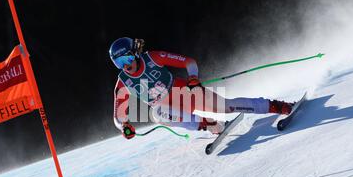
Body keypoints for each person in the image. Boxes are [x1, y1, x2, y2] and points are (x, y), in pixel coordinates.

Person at [110, 37, 293, 139]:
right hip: (169, 109)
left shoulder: (153, 58)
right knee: (157, 114)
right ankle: (209, 124)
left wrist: (193, 78)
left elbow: (189, 62)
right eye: (118, 63)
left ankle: (276, 106)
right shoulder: (123, 82)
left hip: (184, 92)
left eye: (126, 59)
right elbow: (118, 116)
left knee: (227, 107)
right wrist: (124, 126)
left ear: (135, 53)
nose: (125, 65)